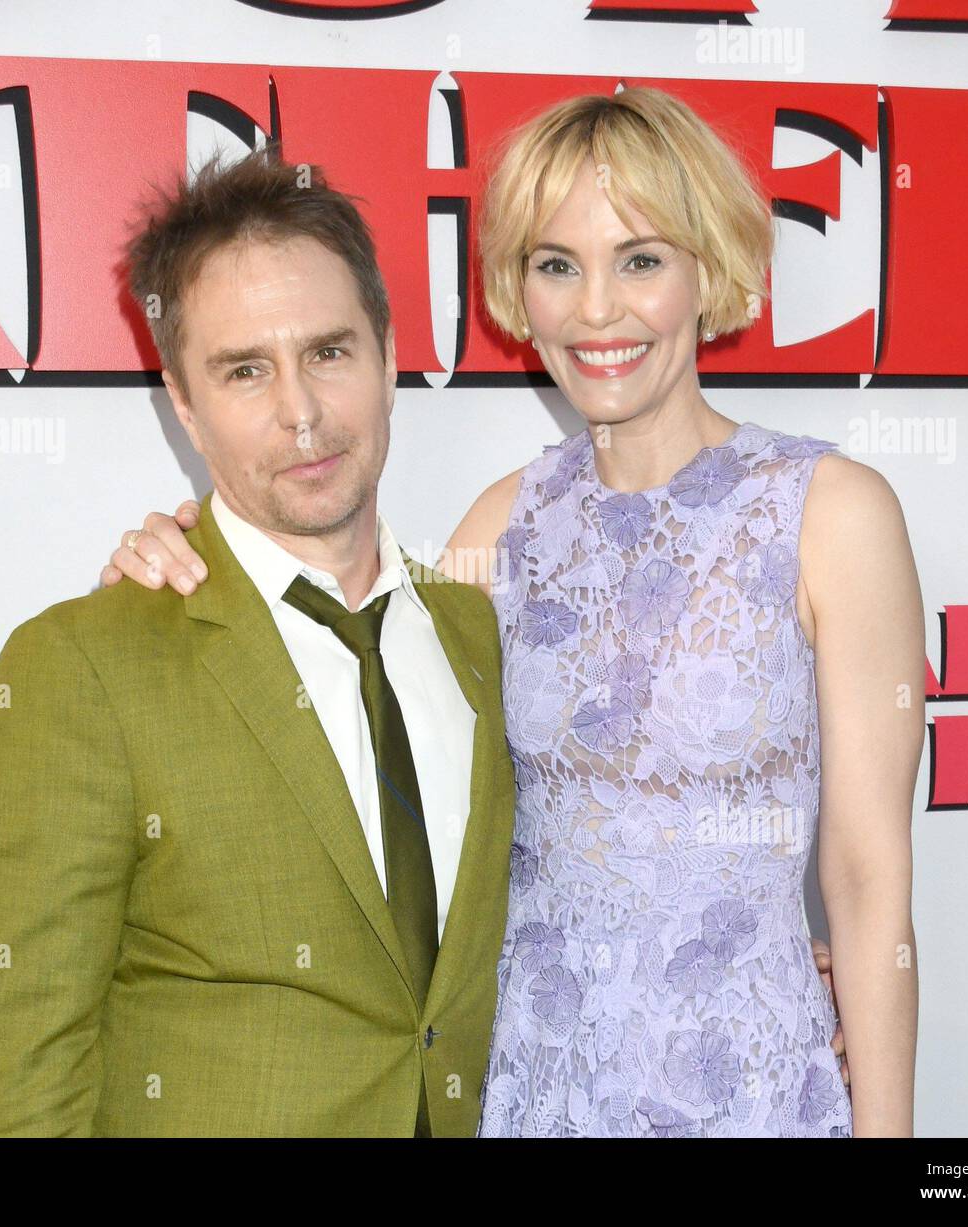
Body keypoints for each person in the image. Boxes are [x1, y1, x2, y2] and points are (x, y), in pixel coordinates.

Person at [106, 89, 905, 1137]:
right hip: (531, 1083)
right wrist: (177, 567)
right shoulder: (502, 525)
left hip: (746, 1088)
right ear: (517, 289)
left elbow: (866, 876)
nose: (596, 311)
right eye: (556, 264)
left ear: (709, 267)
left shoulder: (829, 514)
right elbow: (347, 721)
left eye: (641, 259)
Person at [0, 145, 519, 1137]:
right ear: (184, 402)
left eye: (329, 352)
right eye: (245, 370)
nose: (301, 414)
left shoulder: (479, 634)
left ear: (388, 358)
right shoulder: (79, 669)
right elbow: (26, 1088)